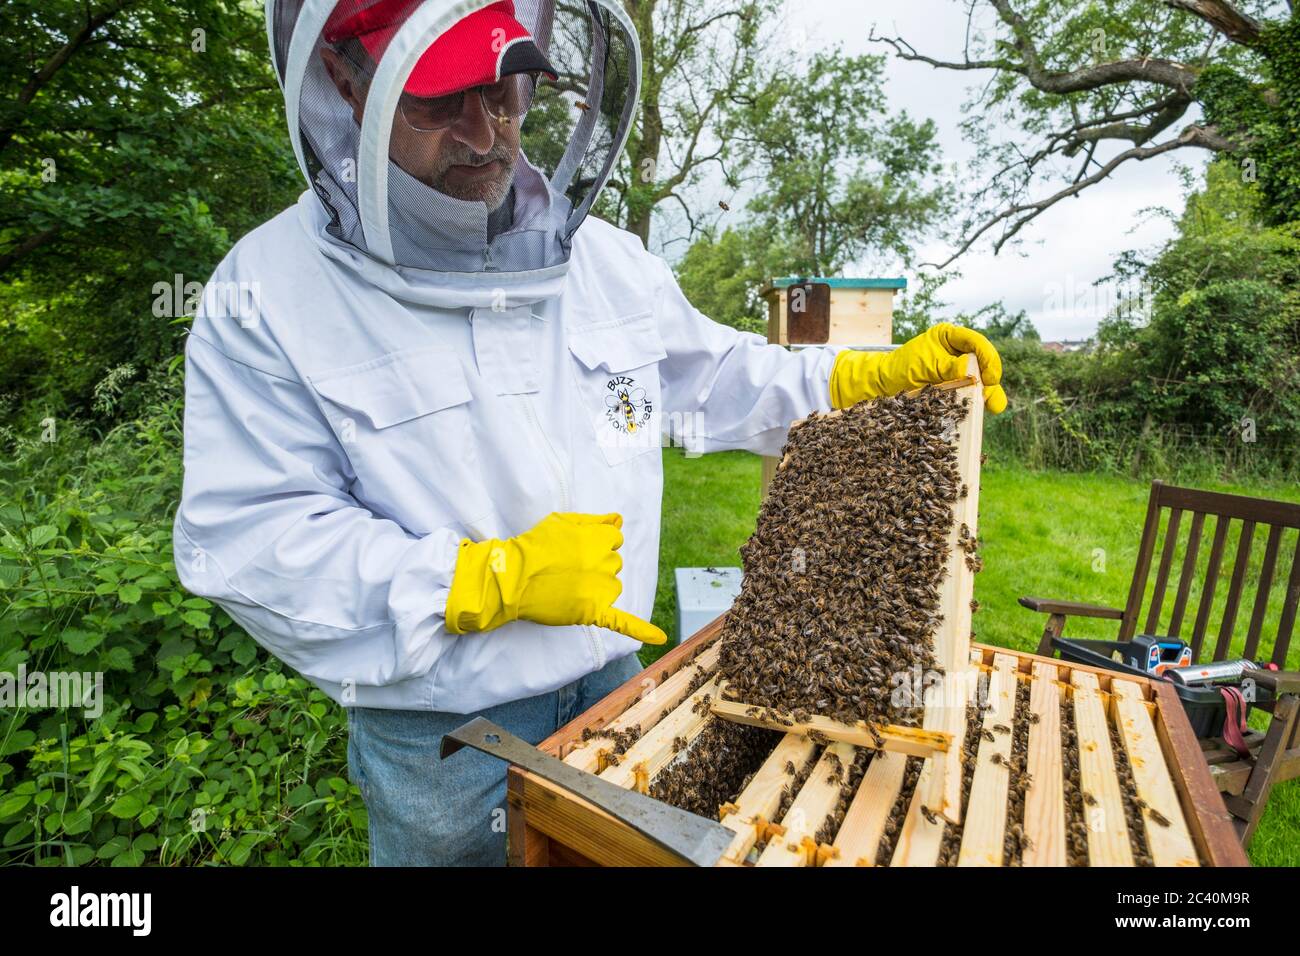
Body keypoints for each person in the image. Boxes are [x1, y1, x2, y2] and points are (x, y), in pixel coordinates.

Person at [174, 0, 1007, 866]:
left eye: (508, 92)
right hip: (450, 739)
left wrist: (853, 377)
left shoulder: (605, 260)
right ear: (346, 82)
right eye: (440, 99)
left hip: (625, 688)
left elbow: (713, 377)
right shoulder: (267, 293)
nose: (485, 131)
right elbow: (249, 537)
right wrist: (476, 579)